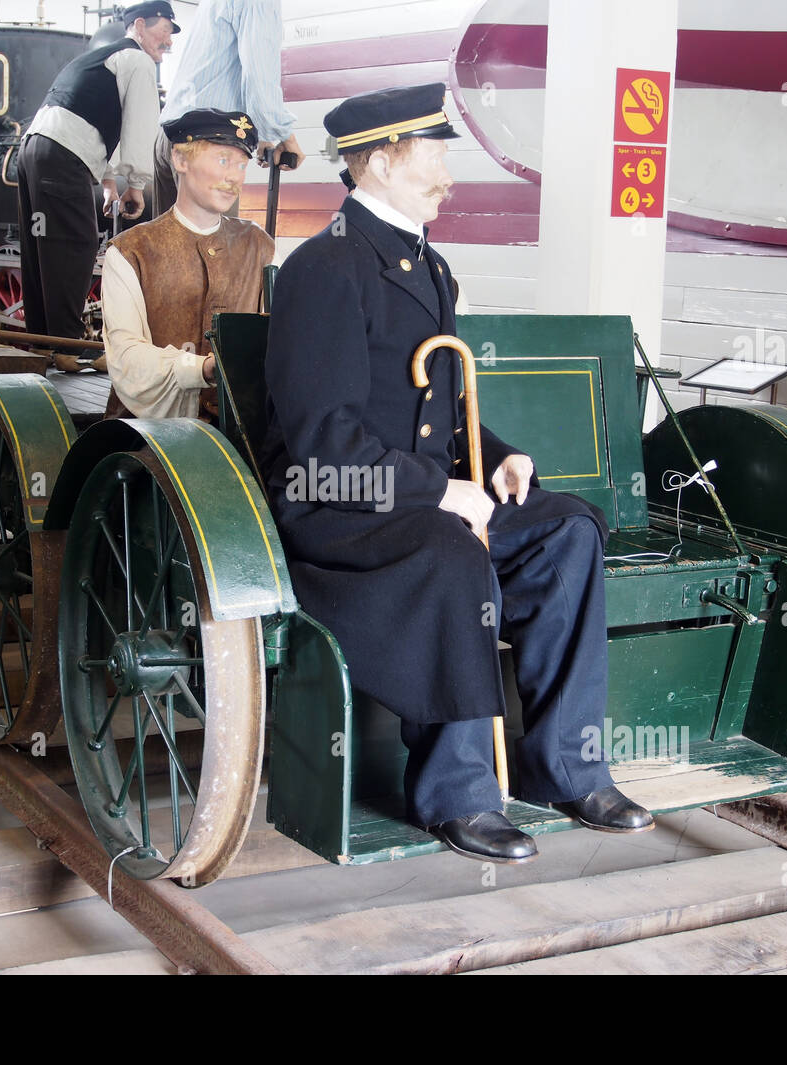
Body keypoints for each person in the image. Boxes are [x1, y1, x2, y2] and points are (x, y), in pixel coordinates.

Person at [260, 84, 655, 864]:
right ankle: (458, 793)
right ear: (376, 162)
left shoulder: (427, 265)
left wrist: (498, 451)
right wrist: (442, 489)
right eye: (432, 154)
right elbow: (321, 441)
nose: (448, 173)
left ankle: (567, 767)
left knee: (568, 530)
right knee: (452, 544)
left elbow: (434, 405)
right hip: (340, 500)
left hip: (416, 491)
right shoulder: (323, 268)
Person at [16, 1, 178, 338]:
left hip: (33, 150)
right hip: (62, 156)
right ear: (139, 25)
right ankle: (67, 343)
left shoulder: (100, 59)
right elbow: (140, 125)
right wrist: (136, 184)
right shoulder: (136, 60)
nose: (170, 41)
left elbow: (100, 121)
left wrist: (108, 184)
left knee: (40, 241)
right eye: (165, 30)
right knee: (76, 241)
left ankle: (42, 338)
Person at [102, 108, 275, 420]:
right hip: (149, 437)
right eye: (223, 160)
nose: (233, 175)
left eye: (241, 164)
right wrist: (204, 369)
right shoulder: (130, 251)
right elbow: (127, 358)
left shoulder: (258, 245)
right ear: (181, 160)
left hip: (241, 429)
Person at [151, 0, 304, 218]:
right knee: (214, 247)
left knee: (167, 246)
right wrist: (285, 136)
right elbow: (259, 75)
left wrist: (264, 137)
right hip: (209, 141)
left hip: (170, 134)